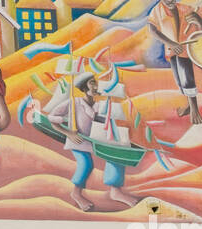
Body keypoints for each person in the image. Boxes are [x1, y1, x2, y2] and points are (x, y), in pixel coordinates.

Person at [45, 71, 140, 212]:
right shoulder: (74, 102)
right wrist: (68, 133)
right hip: (79, 141)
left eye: (96, 82)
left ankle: (115, 191)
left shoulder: (99, 105)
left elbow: (107, 123)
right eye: (92, 82)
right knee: (86, 164)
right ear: (84, 87)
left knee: (115, 158)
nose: (96, 85)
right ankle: (76, 193)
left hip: (97, 141)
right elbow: (52, 118)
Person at [147, 0, 202, 125]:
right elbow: (153, 30)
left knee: (187, 79)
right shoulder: (157, 11)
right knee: (179, 81)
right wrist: (171, 44)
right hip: (172, 51)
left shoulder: (187, 9)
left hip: (186, 49)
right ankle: (189, 105)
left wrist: (199, 21)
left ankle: (195, 109)